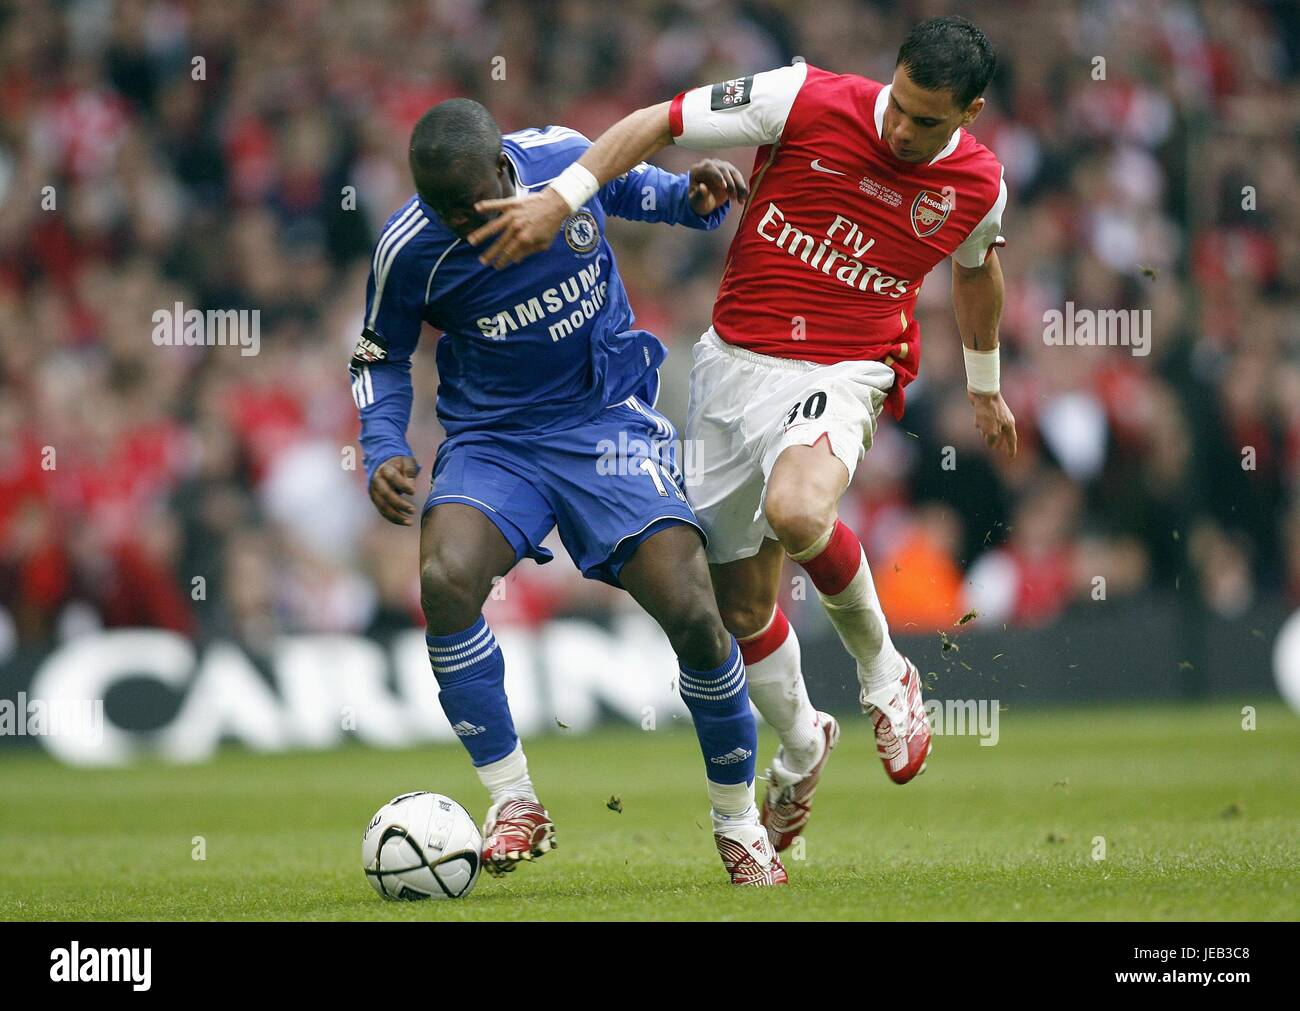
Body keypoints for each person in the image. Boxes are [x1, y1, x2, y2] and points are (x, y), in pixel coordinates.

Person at [466, 15, 1017, 854]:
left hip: (846, 366)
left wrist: (985, 387)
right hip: (733, 367)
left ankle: (886, 675)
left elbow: (977, 271)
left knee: (799, 512)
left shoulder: (978, 185)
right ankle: (803, 745)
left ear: (969, 113)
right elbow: (654, 122)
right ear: (891, 76)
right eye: (900, 105)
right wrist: (561, 198)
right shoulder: (802, 98)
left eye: (928, 121)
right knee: (742, 607)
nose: (903, 129)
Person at [350, 98, 791, 885]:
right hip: (496, 441)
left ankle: (737, 820)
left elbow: (624, 186)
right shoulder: (410, 247)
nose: (457, 220)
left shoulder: (558, 156)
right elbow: (381, 353)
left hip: (605, 421)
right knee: (446, 577)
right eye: (439, 206)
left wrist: (688, 199)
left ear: (502, 169)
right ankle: (514, 799)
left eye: (469, 202)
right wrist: (383, 445)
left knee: (694, 608)